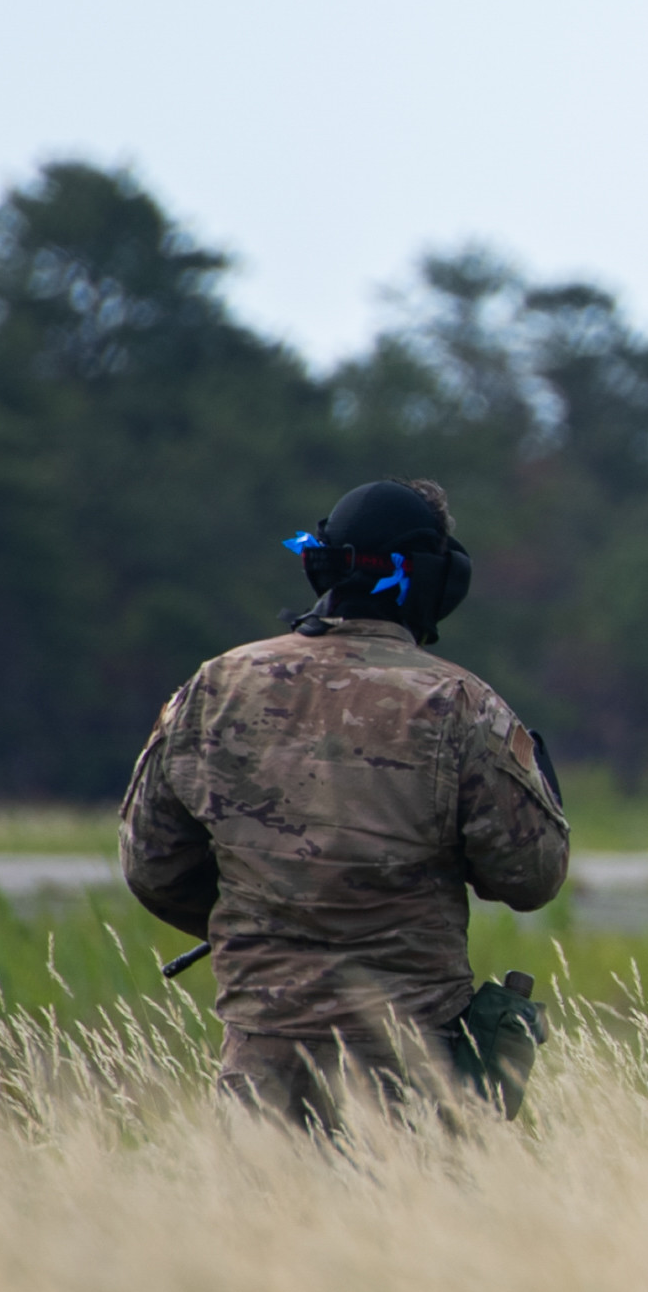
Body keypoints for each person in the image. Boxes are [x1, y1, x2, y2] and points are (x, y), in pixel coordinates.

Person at [120, 479, 571, 1128]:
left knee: (258, 1227)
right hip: (411, 1071)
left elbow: (151, 864)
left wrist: (278, 929)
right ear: (434, 579)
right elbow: (532, 877)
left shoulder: (217, 686)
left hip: (258, 1067)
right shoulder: (458, 705)